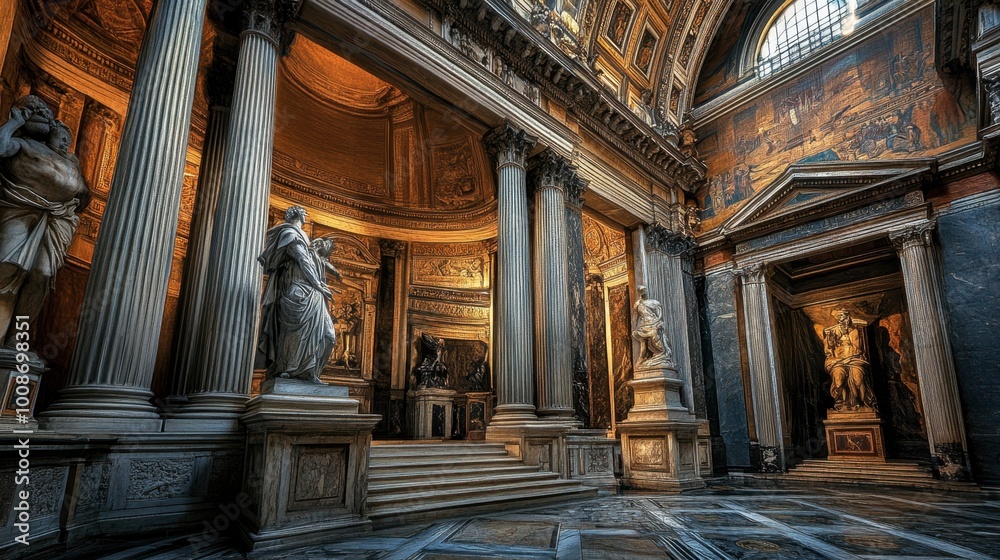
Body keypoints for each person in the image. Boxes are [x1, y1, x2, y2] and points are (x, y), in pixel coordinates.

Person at [0, 95, 89, 345]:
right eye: (62, 138)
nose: (65, 143)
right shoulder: (23, 144)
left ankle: (19, 341)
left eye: (69, 141)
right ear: (50, 132)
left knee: (42, 274)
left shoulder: (70, 161)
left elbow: (84, 194)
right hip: (20, 207)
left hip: (57, 217)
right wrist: (13, 124)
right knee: (6, 265)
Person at [257, 206, 337, 383]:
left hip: (314, 293)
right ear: (301, 216)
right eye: (304, 215)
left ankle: (311, 371)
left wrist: (320, 283)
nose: (306, 218)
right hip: (297, 290)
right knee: (293, 333)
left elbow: (315, 261)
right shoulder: (289, 233)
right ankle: (286, 369)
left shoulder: (303, 237)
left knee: (328, 336)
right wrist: (318, 284)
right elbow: (302, 260)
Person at [824, 309, 876, 411]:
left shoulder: (854, 331)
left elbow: (857, 349)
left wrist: (847, 357)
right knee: (838, 380)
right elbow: (829, 348)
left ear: (847, 319)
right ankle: (842, 403)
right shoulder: (833, 331)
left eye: (843, 318)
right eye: (839, 318)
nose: (841, 321)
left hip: (853, 360)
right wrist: (831, 340)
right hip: (837, 361)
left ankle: (862, 403)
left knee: (857, 379)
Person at [631, 285, 674, 368]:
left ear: (647, 290)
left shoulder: (655, 303)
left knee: (655, 333)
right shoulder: (637, 304)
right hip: (643, 326)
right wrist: (633, 328)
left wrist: (659, 324)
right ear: (639, 292)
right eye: (640, 290)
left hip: (655, 323)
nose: (642, 291)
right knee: (643, 346)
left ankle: (661, 354)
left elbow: (660, 316)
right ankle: (641, 360)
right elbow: (635, 317)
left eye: (644, 289)